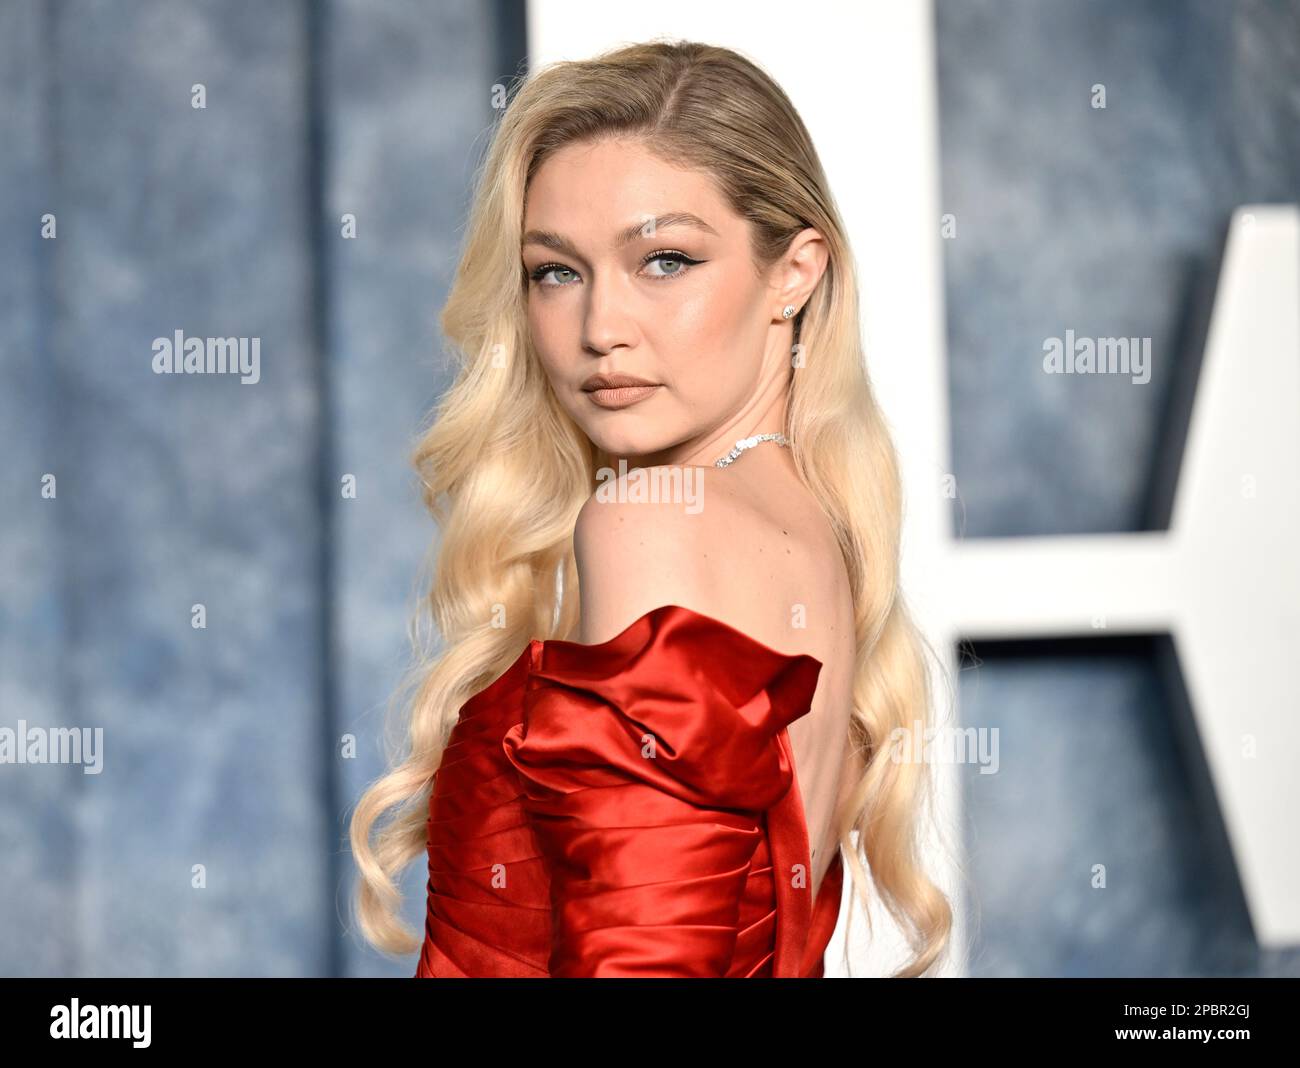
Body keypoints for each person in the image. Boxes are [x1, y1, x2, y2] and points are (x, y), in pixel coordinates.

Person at [349, 38, 951, 978]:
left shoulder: (650, 522)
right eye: (556, 271)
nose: (600, 329)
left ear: (794, 273)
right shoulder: (813, 532)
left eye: (664, 260)